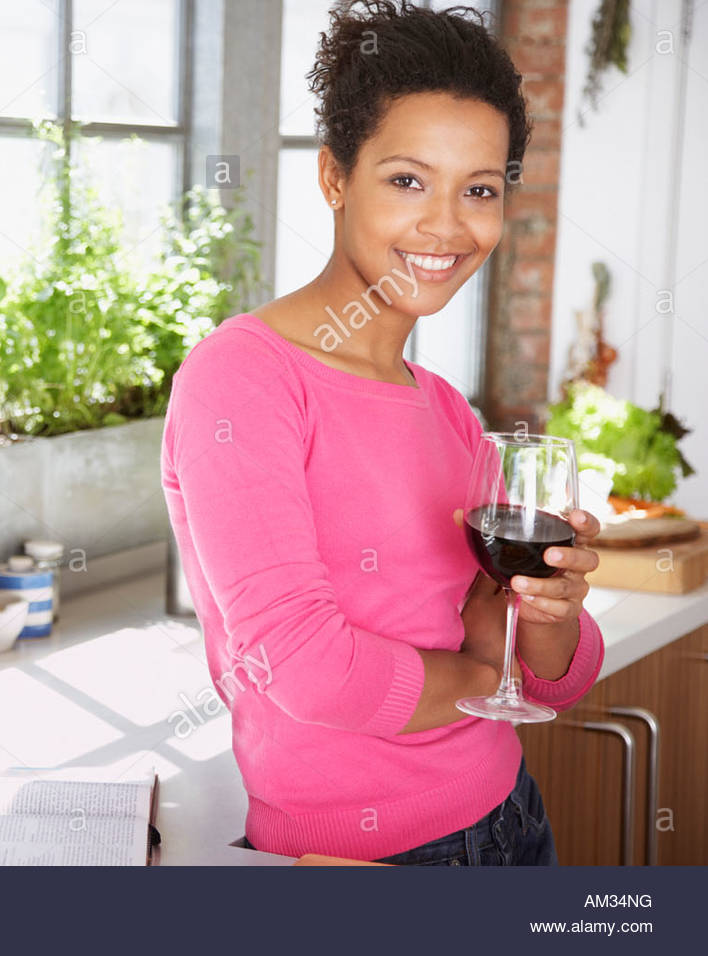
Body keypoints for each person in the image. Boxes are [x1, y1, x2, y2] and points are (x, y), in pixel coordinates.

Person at [160, 0, 604, 866]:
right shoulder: (244, 377)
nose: (446, 225)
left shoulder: (443, 408)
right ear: (334, 177)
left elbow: (553, 673)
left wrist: (551, 612)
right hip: (368, 860)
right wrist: (488, 681)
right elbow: (307, 668)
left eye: (478, 189)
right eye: (408, 180)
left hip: (512, 816)